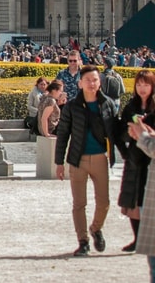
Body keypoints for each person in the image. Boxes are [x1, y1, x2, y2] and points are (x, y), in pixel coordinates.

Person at [55, 65, 118, 257]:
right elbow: (63, 133)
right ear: (80, 83)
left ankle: (96, 228)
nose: (92, 83)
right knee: (79, 203)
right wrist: (59, 162)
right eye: (88, 80)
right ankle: (83, 241)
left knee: (104, 201)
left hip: (100, 157)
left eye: (95, 80)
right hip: (77, 159)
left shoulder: (107, 104)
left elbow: (115, 131)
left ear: (100, 83)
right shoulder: (72, 106)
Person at [117, 69, 155, 252]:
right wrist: (131, 132)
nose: (142, 88)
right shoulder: (131, 106)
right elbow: (120, 133)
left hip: (151, 157)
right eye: (139, 84)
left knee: (148, 198)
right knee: (133, 198)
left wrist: (146, 129)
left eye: (146, 84)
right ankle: (137, 238)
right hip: (134, 156)